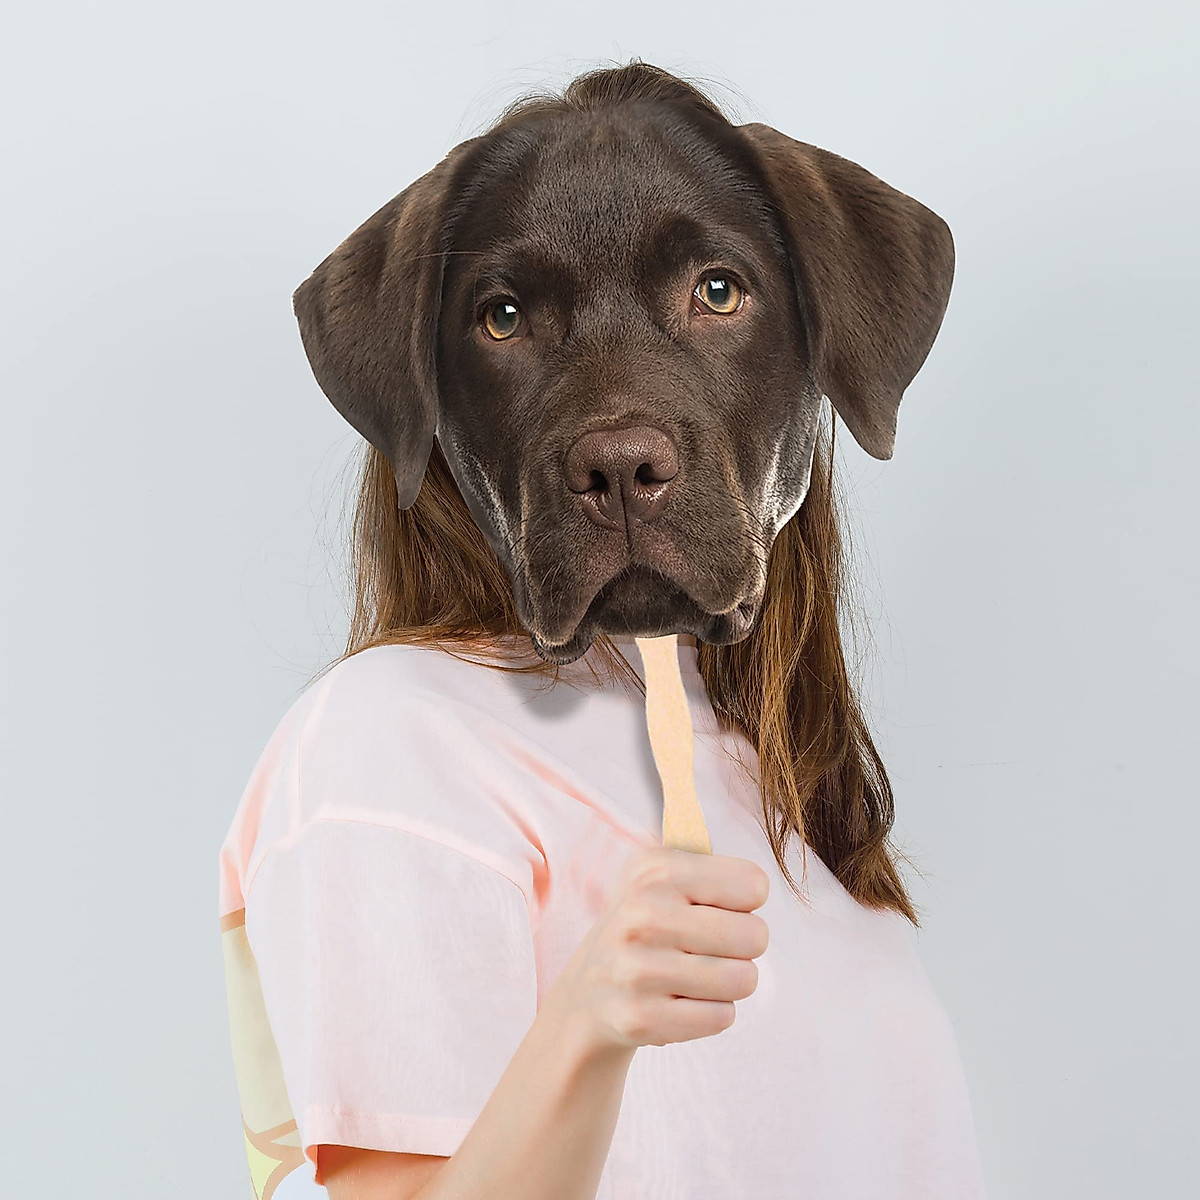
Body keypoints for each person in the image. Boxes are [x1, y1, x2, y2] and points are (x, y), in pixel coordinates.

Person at [218, 406, 987, 1199]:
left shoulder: (766, 770)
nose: (625, 435)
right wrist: (585, 1024)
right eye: (512, 331)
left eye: (710, 319)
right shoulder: (394, 733)